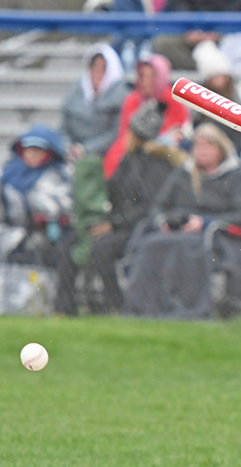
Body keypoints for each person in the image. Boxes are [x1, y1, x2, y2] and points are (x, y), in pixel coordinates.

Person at [120, 122, 241, 318]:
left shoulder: (235, 177)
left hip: (213, 234)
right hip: (177, 230)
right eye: (198, 145)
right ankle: (144, 307)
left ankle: (189, 308)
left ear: (220, 149)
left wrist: (204, 222)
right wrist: (164, 222)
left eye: (208, 145)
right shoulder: (183, 175)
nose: (202, 151)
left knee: (189, 249)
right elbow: (158, 205)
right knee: (150, 245)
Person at [78, 100, 187, 313]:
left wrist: (114, 224)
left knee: (102, 250)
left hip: (140, 229)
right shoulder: (130, 159)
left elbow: (149, 207)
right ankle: (68, 306)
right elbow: (114, 191)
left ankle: (118, 305)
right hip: (121, 225)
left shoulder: (156, 165)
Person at [0, 125, 74, 314]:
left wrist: (39, 210)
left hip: (48, 235)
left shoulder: (59, 175)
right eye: (28, 149)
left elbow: (62, 208)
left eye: (38, 150)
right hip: (9, 233)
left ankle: (48, 306)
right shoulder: (3, 175)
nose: (32, 154)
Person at [102, 54, 191, 178]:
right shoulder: (131, 100)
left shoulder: (174, 101)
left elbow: (175, 133)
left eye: (152, 76)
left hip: (162, 155)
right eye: (143, 76)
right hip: (134, 151)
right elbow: (125, 133)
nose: (146, 81)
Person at [152, 0, 241, 70]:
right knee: (162, 44)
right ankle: (198, 85)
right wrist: (193, 27)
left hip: (231, 30)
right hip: (190, 31)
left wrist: (220, 28)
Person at [60, 43, 131, 161]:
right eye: (95, 67)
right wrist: (67, 145)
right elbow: (64, 127)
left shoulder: (121, 95)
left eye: (103, 68)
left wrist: (85, 149)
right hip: (71, 152)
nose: (98, 73)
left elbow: (115, 133)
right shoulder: (75, 90)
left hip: (103, 155)